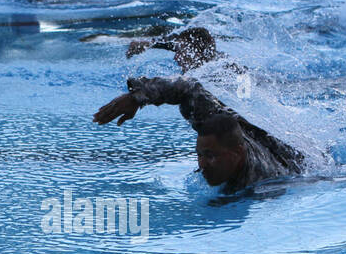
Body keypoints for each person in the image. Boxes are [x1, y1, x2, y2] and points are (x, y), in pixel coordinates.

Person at [92, 76, 307, 192]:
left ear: (237, 155)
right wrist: (137, 98)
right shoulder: (217, 129)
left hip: (295, 166)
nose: (202, 165)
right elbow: (188, 88)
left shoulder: (263, 181)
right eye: (200, 155)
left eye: (210, 157)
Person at [125, 25, 223, 72]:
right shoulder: (200, 57)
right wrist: (149, 44)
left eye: (180, 51)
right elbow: (171, 45)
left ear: (197, 54)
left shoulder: (216, 74)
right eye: (176, 50)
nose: (176, 58)